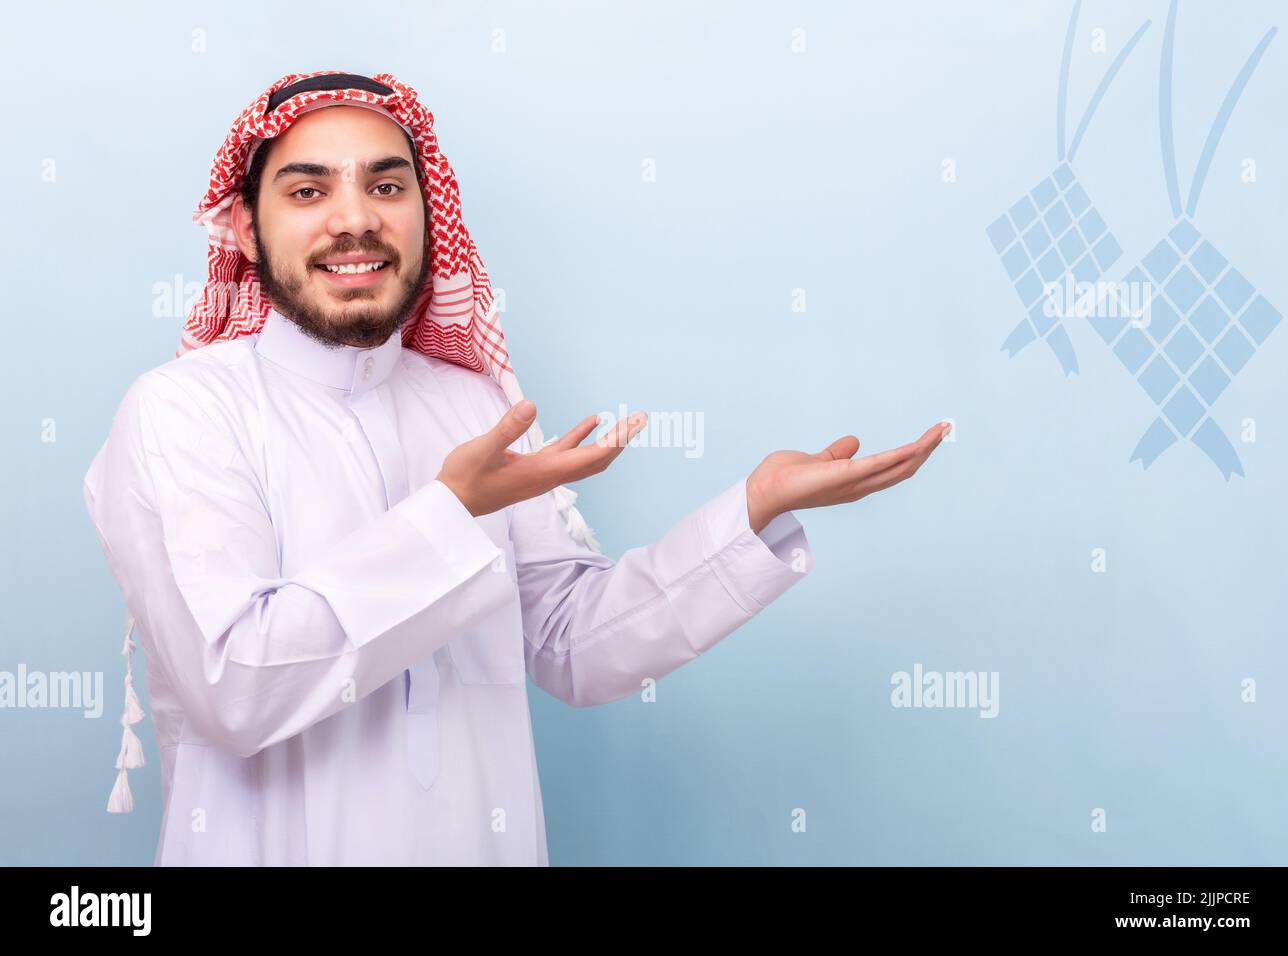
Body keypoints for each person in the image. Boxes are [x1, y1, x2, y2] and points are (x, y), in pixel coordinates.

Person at [82, 70, 949, 866]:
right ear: (243, 224)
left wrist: (750, 512)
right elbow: (236, 688)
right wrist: (451, 513)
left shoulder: (472, 407)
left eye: (387, 186)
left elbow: (575, 645)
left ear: (428, 213)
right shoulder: (181, 411)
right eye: (307, 190)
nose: (355, 219)